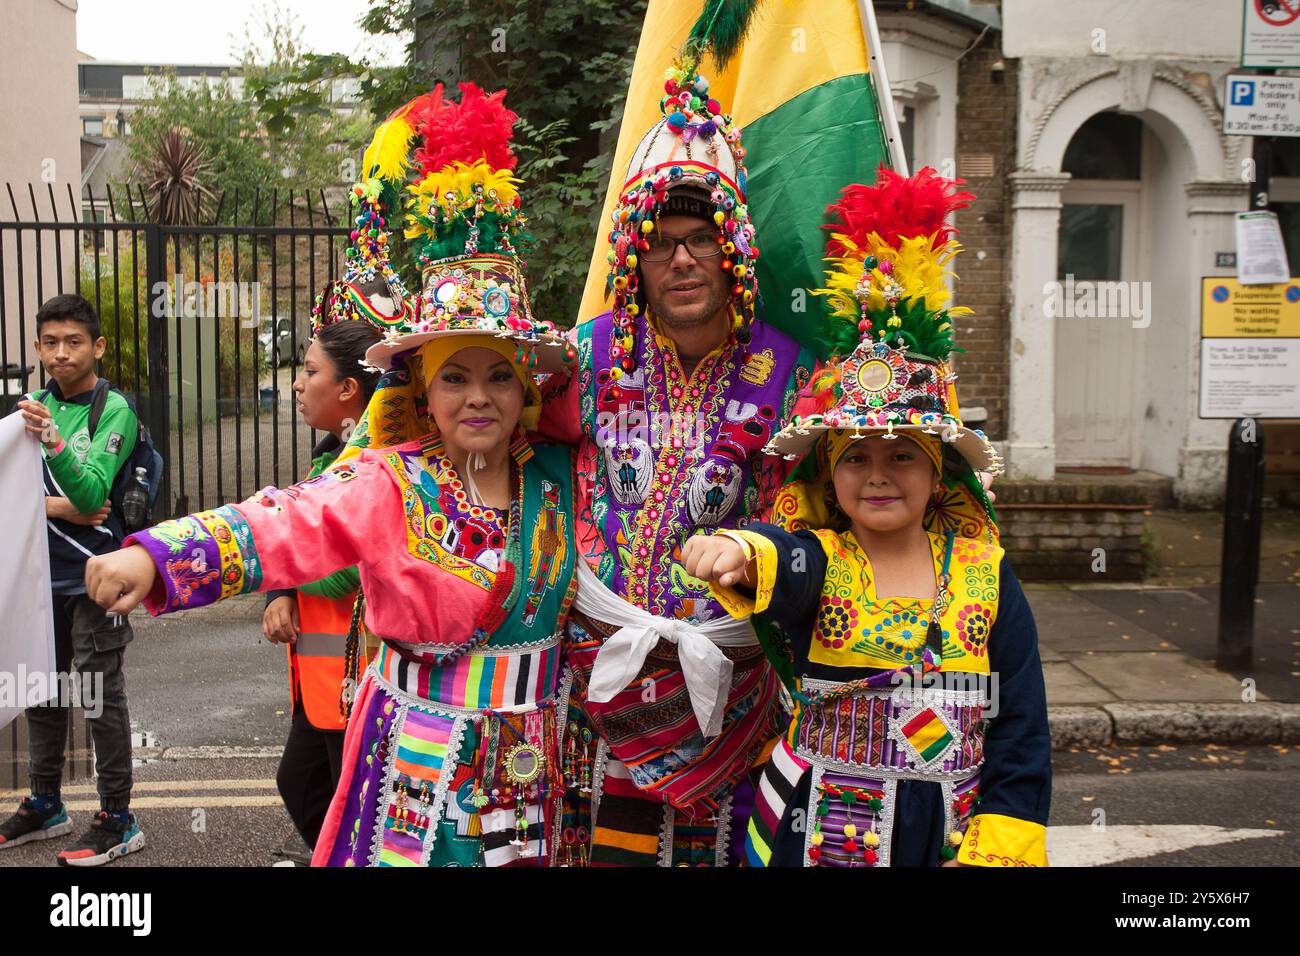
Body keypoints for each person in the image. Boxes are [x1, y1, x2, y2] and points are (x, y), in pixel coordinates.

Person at [85, 83, 580, 867]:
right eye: (455, 377)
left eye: (499, 375)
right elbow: (288, 519)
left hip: (534, 773)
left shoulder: (557, 479)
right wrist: (155, 556)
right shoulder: (391, 482)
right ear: (422, 389)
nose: (478, 396)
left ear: (528, 389)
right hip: (418, 775)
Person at [683, 168, 1051, 867]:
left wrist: (1005, 835)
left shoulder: (987, 576)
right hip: (819, 832)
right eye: (855, 457)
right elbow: (780, 559)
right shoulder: (822, 559)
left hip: (945, 840)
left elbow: (1022, 727)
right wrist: (736, 546)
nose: (878, 474)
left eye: (903, 455)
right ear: (828, 472)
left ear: (939, 470)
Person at [539, 50, 814, 866]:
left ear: (730, 246)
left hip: (734, 684)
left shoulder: (787, 367)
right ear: (636, 257)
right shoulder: (585, 357)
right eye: (662, 244)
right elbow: (502, 453)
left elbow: (811, 512)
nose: (683, 259)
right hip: (604, 689)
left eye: (700, 238)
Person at [0, 293, 145, 865]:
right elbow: (30, 500)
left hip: (98, 575)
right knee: (40, 686)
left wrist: (58, 456)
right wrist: (60, 508)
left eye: (74, 342)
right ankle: (44, 803)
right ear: (37, 348)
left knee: (99, 694)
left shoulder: (114, 411)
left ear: (98, 347)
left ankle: (117, 817)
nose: (62, 354)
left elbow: (93, 494)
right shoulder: (29, 407)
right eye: (51, 343)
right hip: (39, 574)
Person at [262, 315, 384, 858]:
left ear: (348, 389)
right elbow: (303, 538)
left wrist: (278, 550)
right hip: (320, 680)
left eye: (309, 371)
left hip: (359, 681)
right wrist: (280, 589)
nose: (295, 383)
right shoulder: (331, 455)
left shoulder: (375, 463)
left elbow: (347, 569)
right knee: (304, 786)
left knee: (351, 804)